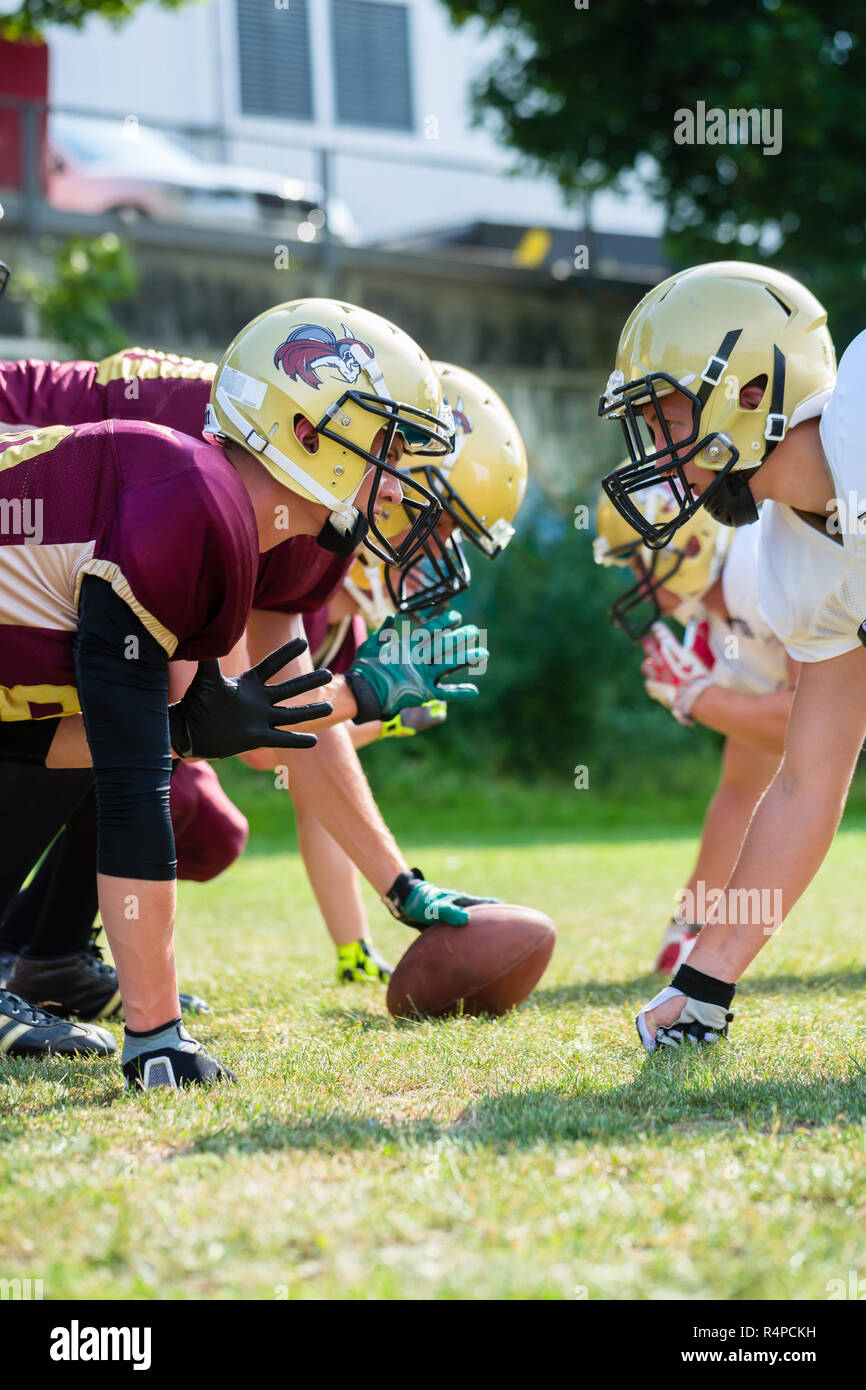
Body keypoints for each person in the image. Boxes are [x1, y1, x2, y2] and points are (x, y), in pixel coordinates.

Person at [0, 298, 491, 1087]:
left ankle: (47, 958)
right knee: (158, 777)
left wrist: (401, 885)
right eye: (387, 449)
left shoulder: (271, 512)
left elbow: (201, 719)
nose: (401, 491)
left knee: (121, 731)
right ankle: (28, 957)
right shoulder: (194, 484)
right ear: (305, 429)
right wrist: (156, 1038)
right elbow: (192, 749)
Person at [597, 259, 860, 1054]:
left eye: (667, 415)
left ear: (752, 393)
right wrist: (702, 982)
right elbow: (807, 781)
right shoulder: (789, 556)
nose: (653, 444)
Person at [595, 485, 798, 972]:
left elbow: (819, 726)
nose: (631, 578)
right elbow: (744, 784)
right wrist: (688, 925)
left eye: (635, 561)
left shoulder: (765, 570)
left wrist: (700, 697)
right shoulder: (715, 609)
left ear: (685, 547)